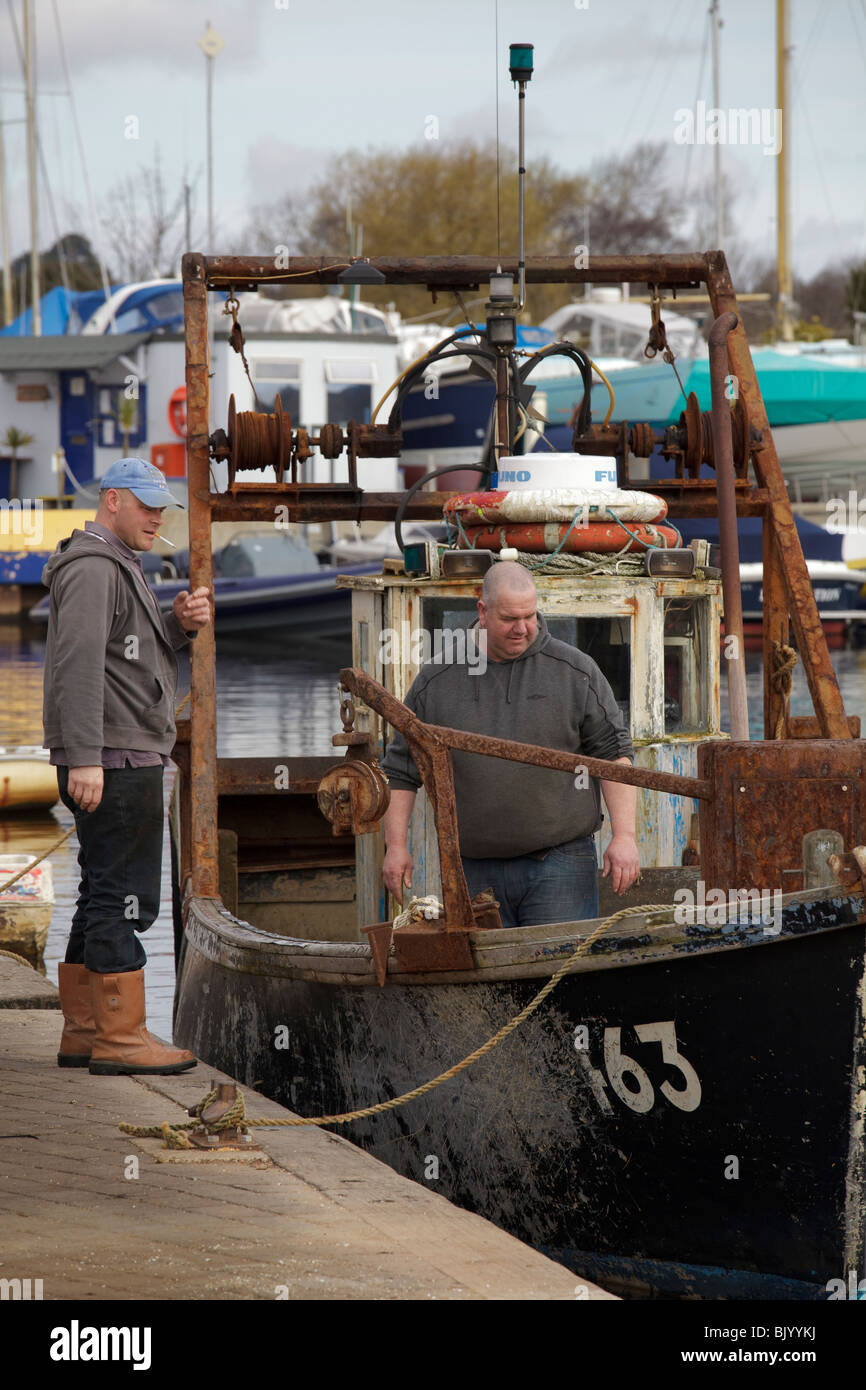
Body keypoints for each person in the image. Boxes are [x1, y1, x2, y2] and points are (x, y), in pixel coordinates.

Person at [42, 457, 211, 1074]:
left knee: (98, 889)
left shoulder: (110, 563)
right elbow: (78, 666)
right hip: (113, 758)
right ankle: (121, 1039)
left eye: (161, 505)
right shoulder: (94, 567)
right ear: (112, 500)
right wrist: (86, 759)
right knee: (124, 897)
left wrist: (176, 625)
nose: (157, 515)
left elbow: (122, 655)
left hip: (115, 753)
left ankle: (85, 1032)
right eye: (145, 504)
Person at [381, 561, 640, 927]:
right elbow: (401, 771)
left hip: (561, 865)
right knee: (483, 980)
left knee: (559, 974)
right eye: (509, 618)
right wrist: (396, 847)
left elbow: (614, 755)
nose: (522, 628)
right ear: (482, 612)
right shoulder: (436, 680)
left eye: (530, 616)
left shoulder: (575, 672)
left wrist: (624, 835)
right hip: (470, 868)